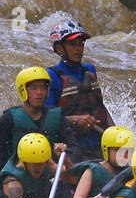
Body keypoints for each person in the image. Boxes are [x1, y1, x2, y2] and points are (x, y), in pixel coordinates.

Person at [44, 19, 113, 162]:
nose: (78, 48)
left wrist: (115, 134)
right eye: (72, 44)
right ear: (59, 48)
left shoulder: (90, 70)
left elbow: (100, 106)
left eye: (81, 43)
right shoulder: (52, 77)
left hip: (100, 143)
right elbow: (47, 118)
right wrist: (74, 120)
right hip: (73, 147)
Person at [0, 66, 72, 183]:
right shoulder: (8, 120)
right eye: (33, 88)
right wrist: (1, 186)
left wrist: (65, 161)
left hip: (52, 180)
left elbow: (74, 148)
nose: (39, 93)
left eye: (43, 88)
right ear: (23, 90)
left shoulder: (58, 117)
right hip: (19, 180)